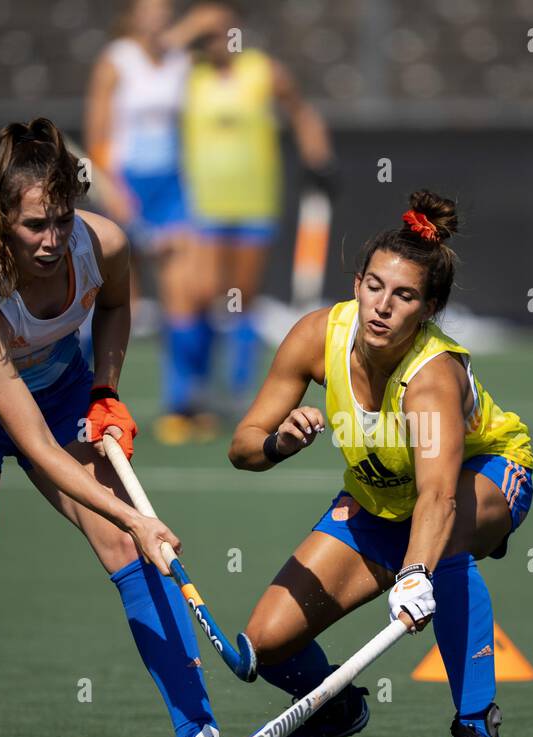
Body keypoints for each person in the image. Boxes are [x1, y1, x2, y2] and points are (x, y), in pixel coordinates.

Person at [0, 117, 251, 737]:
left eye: (60, 220)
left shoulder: (101, 242)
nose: (51, 241)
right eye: (34, 226)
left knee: (126, 552)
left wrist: (106, 387)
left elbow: (115, 305)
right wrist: (136, 515)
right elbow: (39, 449)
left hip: (61, 387)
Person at [226, 191, 533, 737]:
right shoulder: (318, 337)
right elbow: (242, 445)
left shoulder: (431, 377)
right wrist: (277, 446)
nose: (382, 307)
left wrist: (414, 572)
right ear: (357, 282)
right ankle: (332, 708)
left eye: (404, 296)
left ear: (430, 307)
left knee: (443, 551)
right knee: (265, 644)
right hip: (381, 500)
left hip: (486, 478)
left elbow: (440, 497)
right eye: (373, 286)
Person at [160, 0, 336, 444]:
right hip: (203, 208)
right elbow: (157, 50)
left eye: (221, 30)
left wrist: (317, 154)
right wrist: (193, 27)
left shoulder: (262, 72)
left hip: (253, 204)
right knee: (197, 296)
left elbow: (301, 112)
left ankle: (241, 395)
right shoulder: (186, 76)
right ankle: (190, 396)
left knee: (239, 300)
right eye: (206, 33)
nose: (213, 39)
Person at [83, 0, 210, 436]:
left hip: (172, 190)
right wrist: (113, 191)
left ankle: (181, 404)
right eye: (148, 13)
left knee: (183, 294)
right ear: (132, 17)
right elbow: (96, 133)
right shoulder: (116, 60)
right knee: (112, 295)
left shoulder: (182, 61)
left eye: (164, 13)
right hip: (123, 186)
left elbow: (217, 19)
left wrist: (183, 33)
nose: (156, 21)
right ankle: (78, 391)